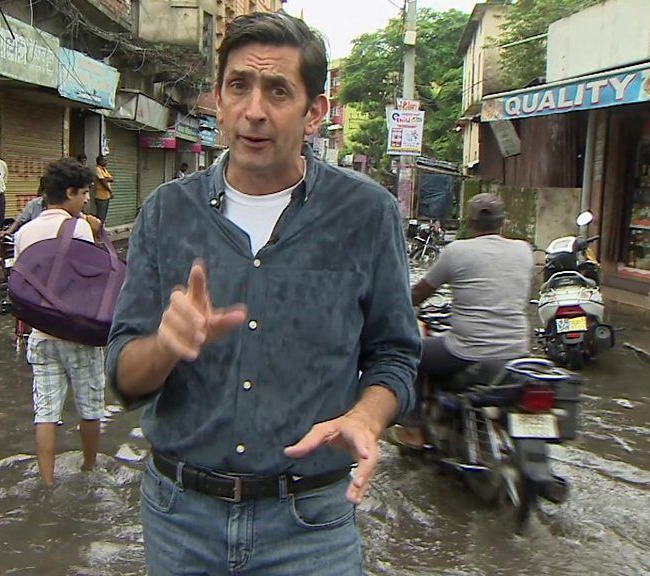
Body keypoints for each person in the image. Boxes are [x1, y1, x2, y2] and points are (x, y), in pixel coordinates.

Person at [106, 12, 419, 575]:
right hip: (180, 521)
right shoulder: (165, 213)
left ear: (314, 111)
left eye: (278, 91)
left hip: (312, 527)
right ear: (218, 100)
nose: (255, 110)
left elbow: (395, 354)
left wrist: (367, 418)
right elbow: (123, 379)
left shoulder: (366, 215)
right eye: (239, 87)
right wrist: (165, 346)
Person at [389, 193, 533, 449]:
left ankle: (413, 430)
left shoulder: (457, 251)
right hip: (517, 350)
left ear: (469, 222)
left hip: (467, 351)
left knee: (410, 354)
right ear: (504, 223)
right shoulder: (524, 250)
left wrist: (393, 305)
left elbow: (421, 292)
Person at [15, 158, 104, 487]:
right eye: (83, 194)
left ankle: (47, 483)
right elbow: (89, 277)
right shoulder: (78, 227)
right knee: (90, 406)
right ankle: (90, 469)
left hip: (41, 335)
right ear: (69, 193)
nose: (86, 201)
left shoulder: (25, 232)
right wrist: (94, 231)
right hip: (77, 332)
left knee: (46, 413)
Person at [92, 155, 113, 224]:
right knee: (101, 215)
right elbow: (102, 181)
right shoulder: (97, 169)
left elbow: (111, 178)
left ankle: (101, 230)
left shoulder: (104, 169)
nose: (106, 162)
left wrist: (106, 179)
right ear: (100, 161)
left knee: (104, 215)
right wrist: (110, 191)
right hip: (101, 196)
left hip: (106, 196)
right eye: (105, 160)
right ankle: (98, 231)